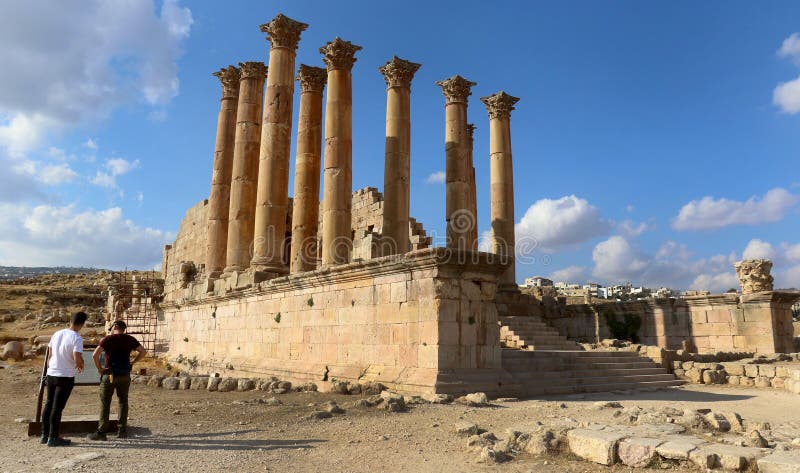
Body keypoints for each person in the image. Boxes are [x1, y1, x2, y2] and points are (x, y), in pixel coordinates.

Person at [87, 320, 146, 440]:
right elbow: (143, 351)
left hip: (110, 374)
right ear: (124, 329)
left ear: (114, 327)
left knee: (105, 403)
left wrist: (100, 369)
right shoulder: (130, 339)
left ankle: (102, 432)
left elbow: (95, 355)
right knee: (123, 401)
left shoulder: (108, 339)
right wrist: (133, 362)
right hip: (125, 374)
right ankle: (122, 430)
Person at [41, 311, 86, 447]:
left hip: (52, 372)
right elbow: (76, 357)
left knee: (49, 404)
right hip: (65, 375)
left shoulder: (57, 333)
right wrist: (81, 364)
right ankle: (53, 437)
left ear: (70, 320)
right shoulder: (77, 338)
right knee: (57, 407)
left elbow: (49, 353)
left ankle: (45, 434)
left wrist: (51, 367)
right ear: (82, 324)